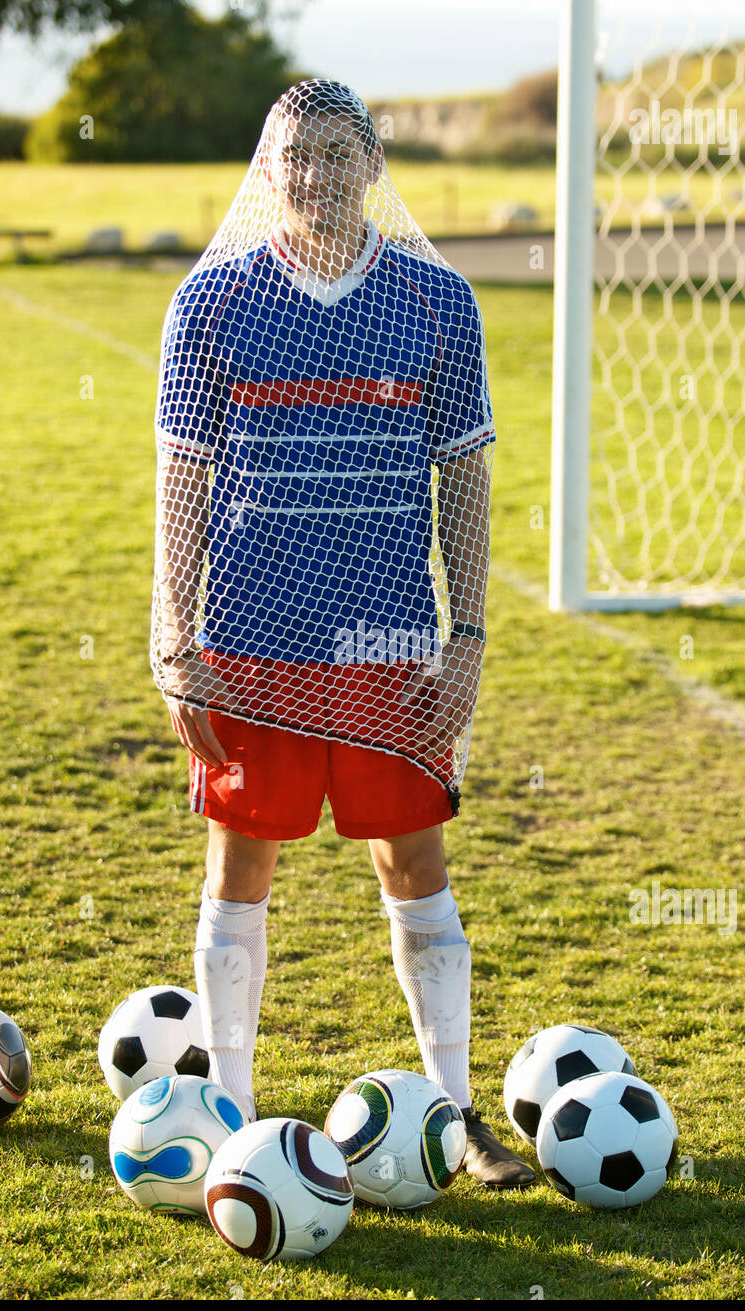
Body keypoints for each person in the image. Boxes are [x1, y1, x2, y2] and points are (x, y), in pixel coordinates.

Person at [152, 78, 534, 1188]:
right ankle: (230, 1111)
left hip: (390, 644)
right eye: (294, 155)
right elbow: (181, 481)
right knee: (240, 866)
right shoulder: (211, 304)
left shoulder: (435, 300)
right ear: (267, 172)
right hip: (251, 637)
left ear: (373, 163)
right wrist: (176, 637)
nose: (315, 173)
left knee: (413, 861)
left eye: (336, 151)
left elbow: (463, 473)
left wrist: (467, 635)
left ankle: (457, 1118)